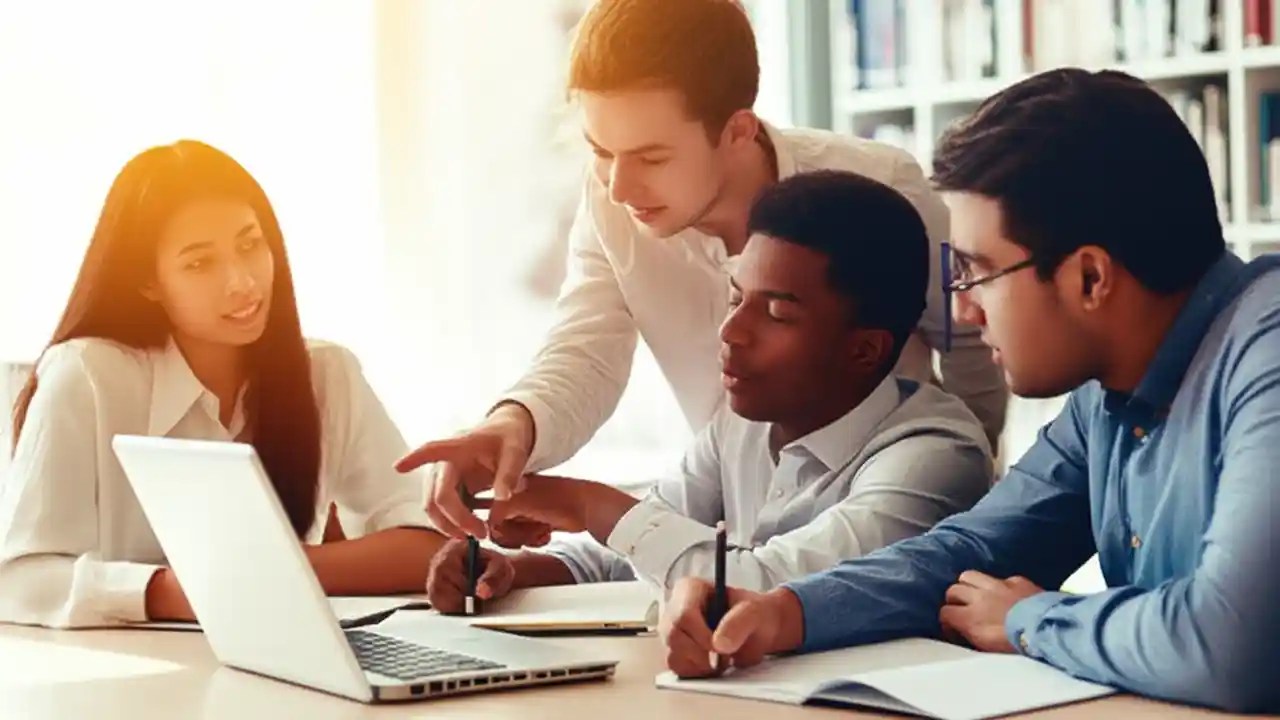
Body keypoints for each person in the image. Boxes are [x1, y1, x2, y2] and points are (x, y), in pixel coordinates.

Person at [655, 69, 1280, 714]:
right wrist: (782, 613)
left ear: (1089, 278)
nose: (966, 314)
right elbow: (971, 551)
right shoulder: (1106, 398)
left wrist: (1032, 619)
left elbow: (1232, 643)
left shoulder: (1267, 359)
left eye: (978, 273)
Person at [396, 0, 1008, 540]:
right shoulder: (612, 201)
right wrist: (512, 427)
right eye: (600, 151)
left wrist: (961, 500)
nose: (618, 184)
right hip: (728, 528)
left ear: (738, 130)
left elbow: (971, 337)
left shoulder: (881, 186)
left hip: (878, 517)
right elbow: (586, 351)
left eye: (650, 156)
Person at [421, 171, 992, 614]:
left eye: (774, 314)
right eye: (736, 297)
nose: (732, 332)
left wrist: (586, 504)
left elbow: (768, 588)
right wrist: (512, 572)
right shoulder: (745, 424)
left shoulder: (935, 456)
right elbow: (640, 552)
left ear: (864, 350)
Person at [0, 140, 447, 629]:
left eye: (251, 244)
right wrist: (176, 592)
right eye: (199, 263)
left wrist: (259, 574)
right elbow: (23, 579)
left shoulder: (327, 373)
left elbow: (426, 541)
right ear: (147, 281)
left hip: (288, 665)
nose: (242, 282)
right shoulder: (86, 375)